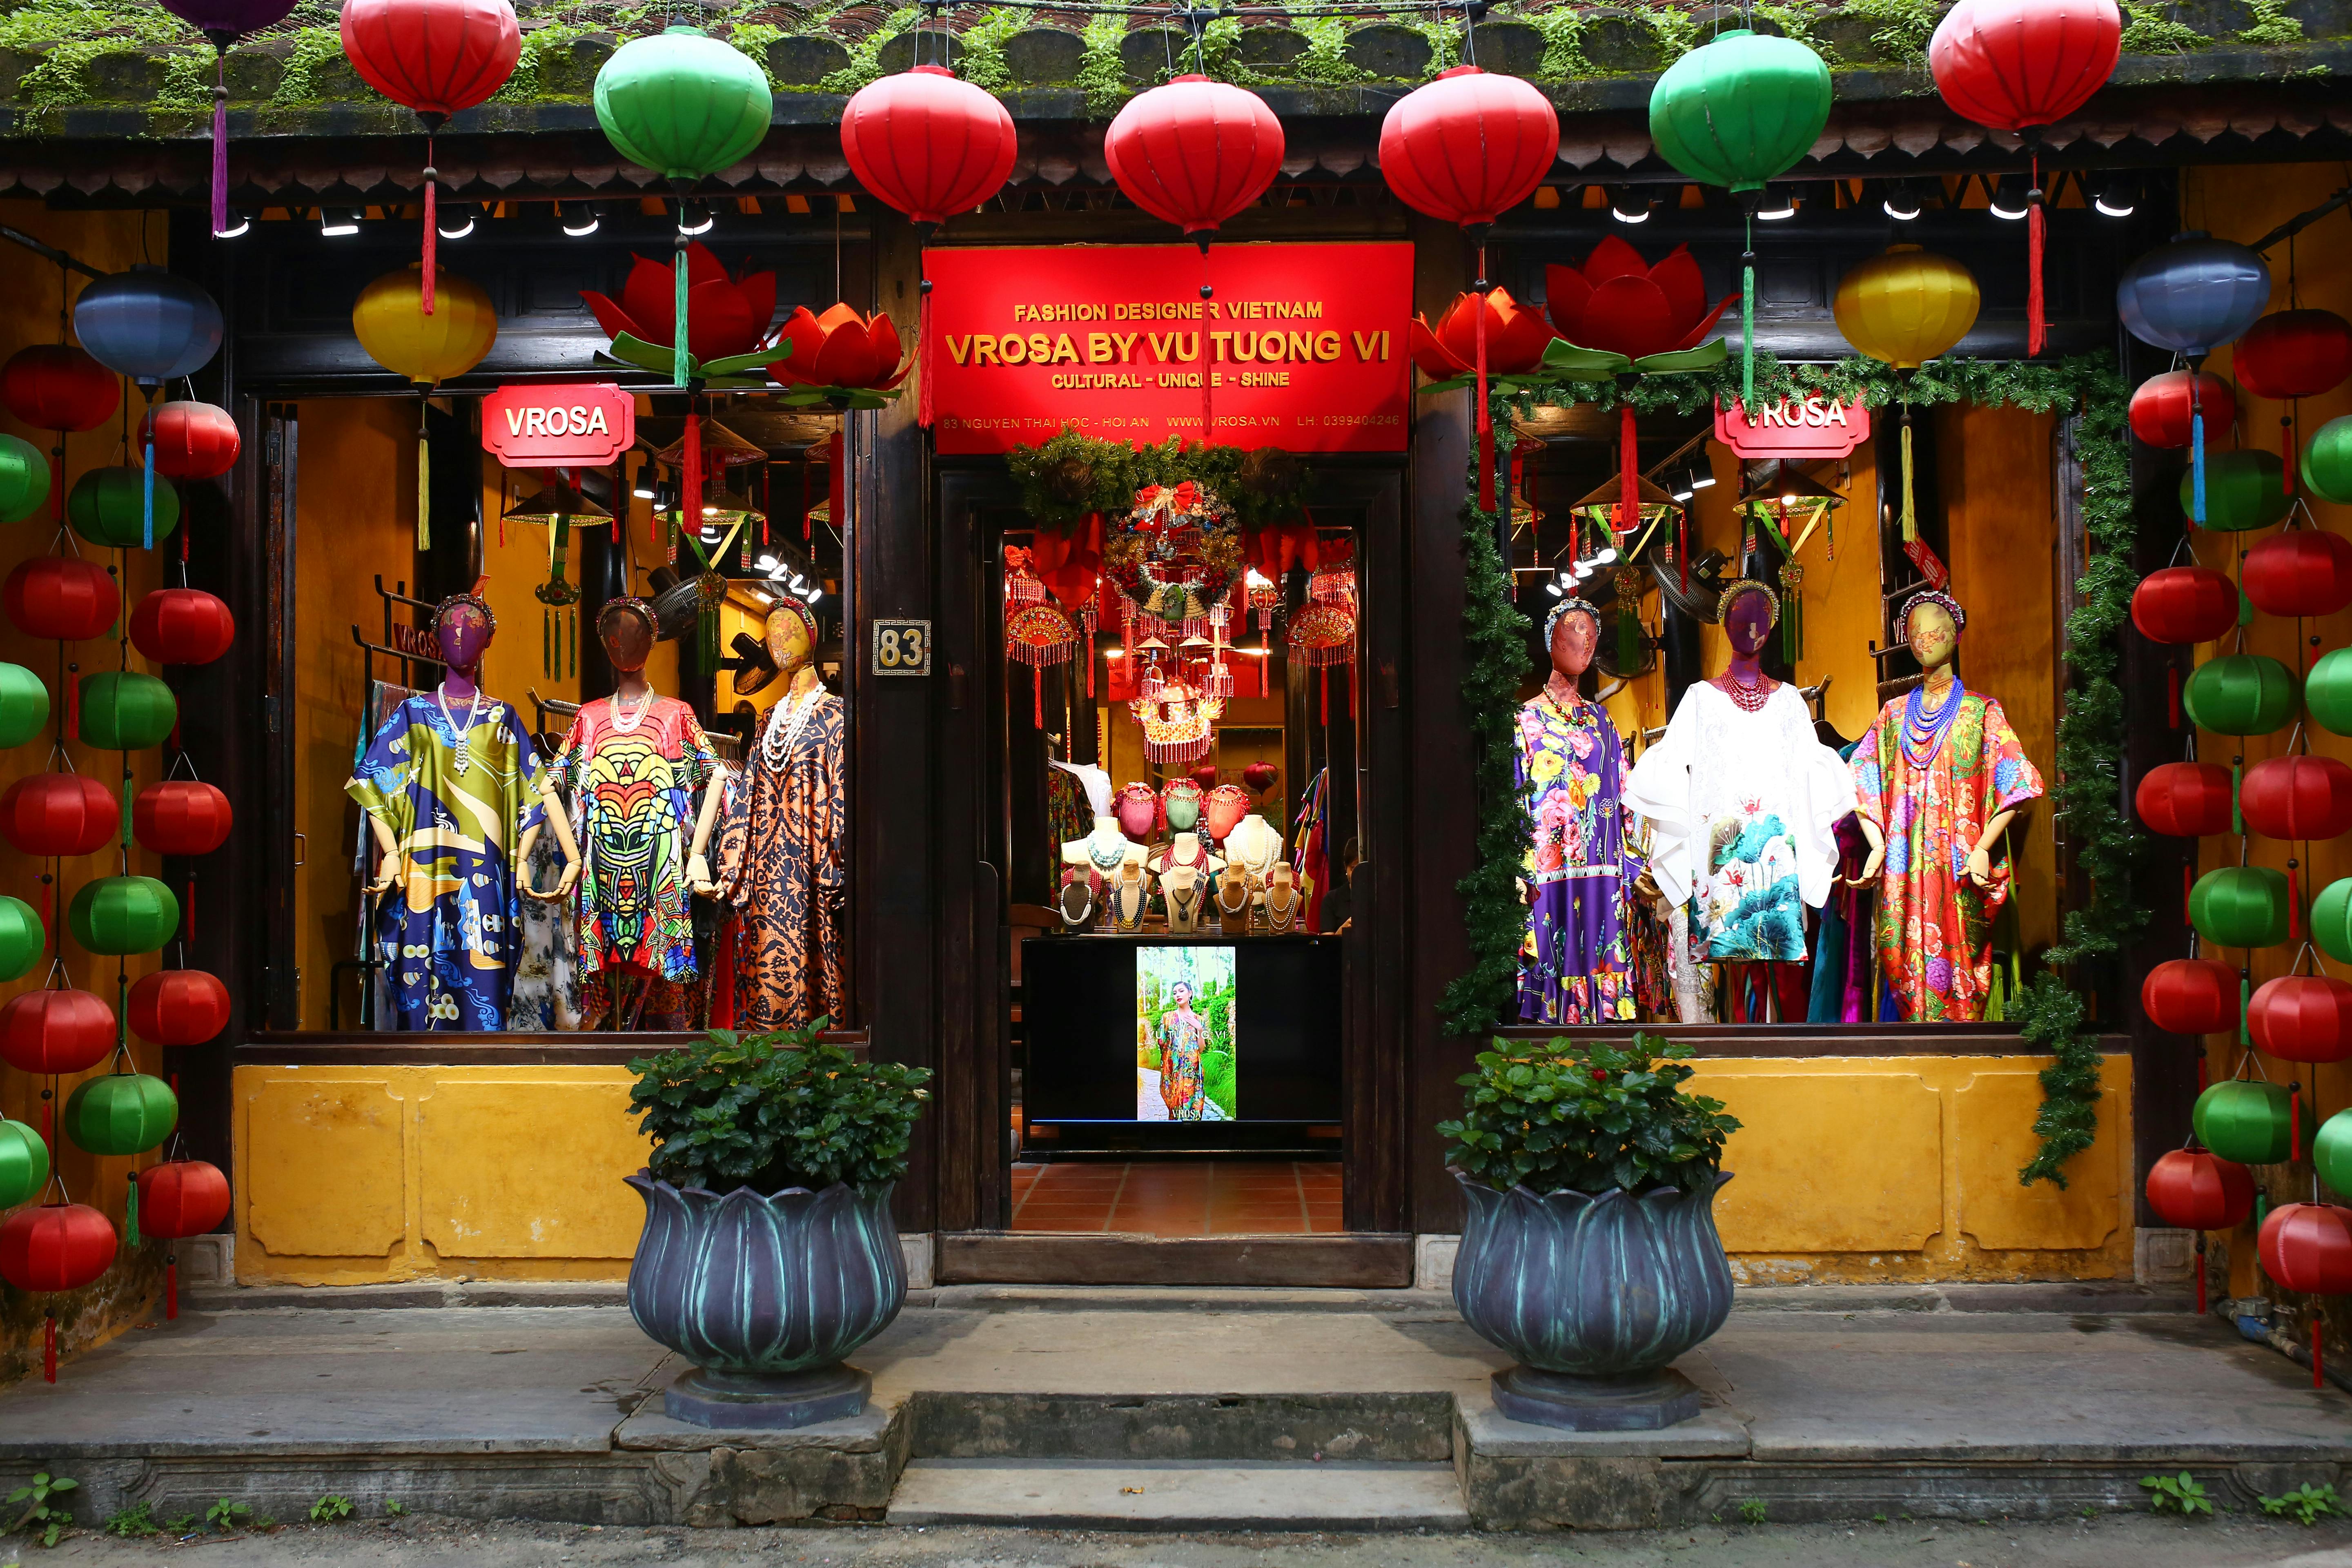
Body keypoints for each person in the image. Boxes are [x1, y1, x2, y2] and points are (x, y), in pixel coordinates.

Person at [1158, 980, 1209, 1121]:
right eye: (1175, 993)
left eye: (1181, 991)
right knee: (1174, 1108)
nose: (1177, 995)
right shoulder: (1167, 1017)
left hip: (1191, 1069)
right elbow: (1162, 1042)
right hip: (1173, 1068)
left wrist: (1199, 1029)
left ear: (1190, 993)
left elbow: (1201, 1048)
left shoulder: (1200, 1020)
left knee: (1191, 1105)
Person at [1322, 837, 1359, 933]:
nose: (1358, 874)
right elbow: (1326, 944)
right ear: (1345, 867)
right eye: (1353, 868)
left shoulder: (1380, 897)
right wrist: (1341, 932)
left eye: (1361, 869)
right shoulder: (1332, 899)